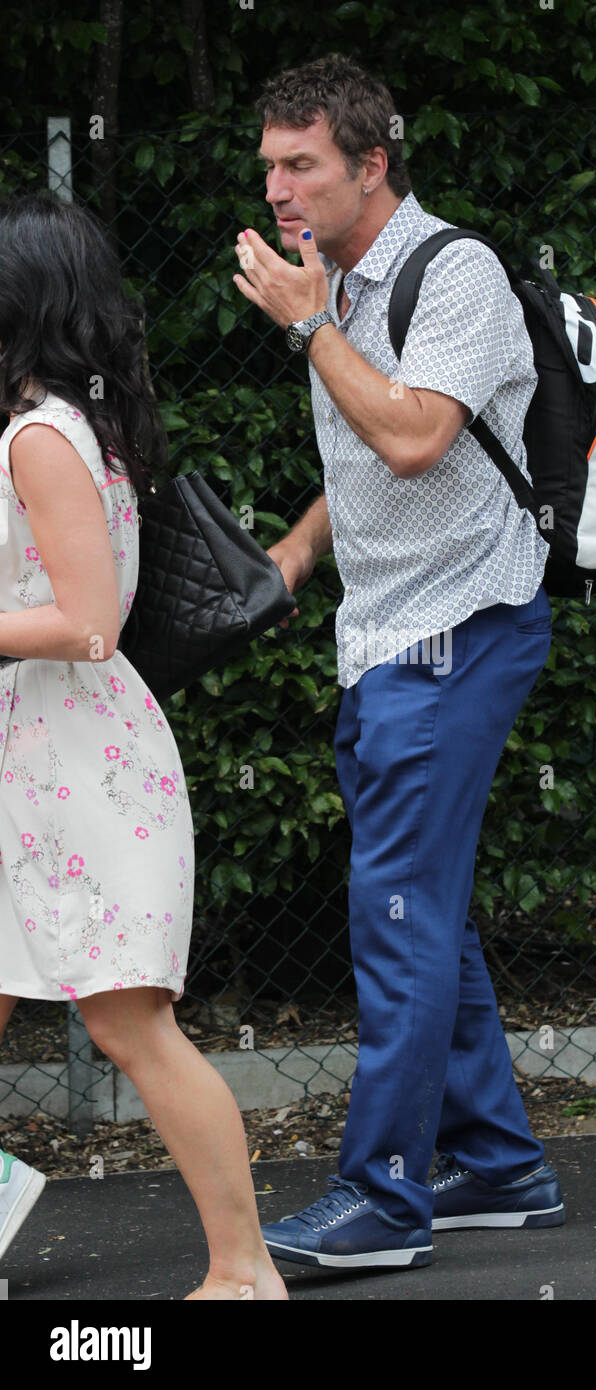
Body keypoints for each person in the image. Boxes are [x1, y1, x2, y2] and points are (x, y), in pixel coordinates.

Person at [233, 52, 566, 1271]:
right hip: (382, 638)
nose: (276, 187)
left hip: (458, 634)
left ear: (370, 165)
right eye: (270, 163)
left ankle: (380, 1199)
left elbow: (418, 435)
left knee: (399, 918)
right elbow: (365, 456)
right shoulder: (342, 283)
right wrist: (292, 555)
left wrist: (310, 324)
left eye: (300, 163)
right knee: (425, 911)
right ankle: (498, 1164)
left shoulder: (452, 271)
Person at [0, 194, 287, 1301]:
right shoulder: (76, 421)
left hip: (75, 773)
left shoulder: (43, 434)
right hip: (40, 761)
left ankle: (242, 1269)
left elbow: (86, 621)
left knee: (134, 1029)